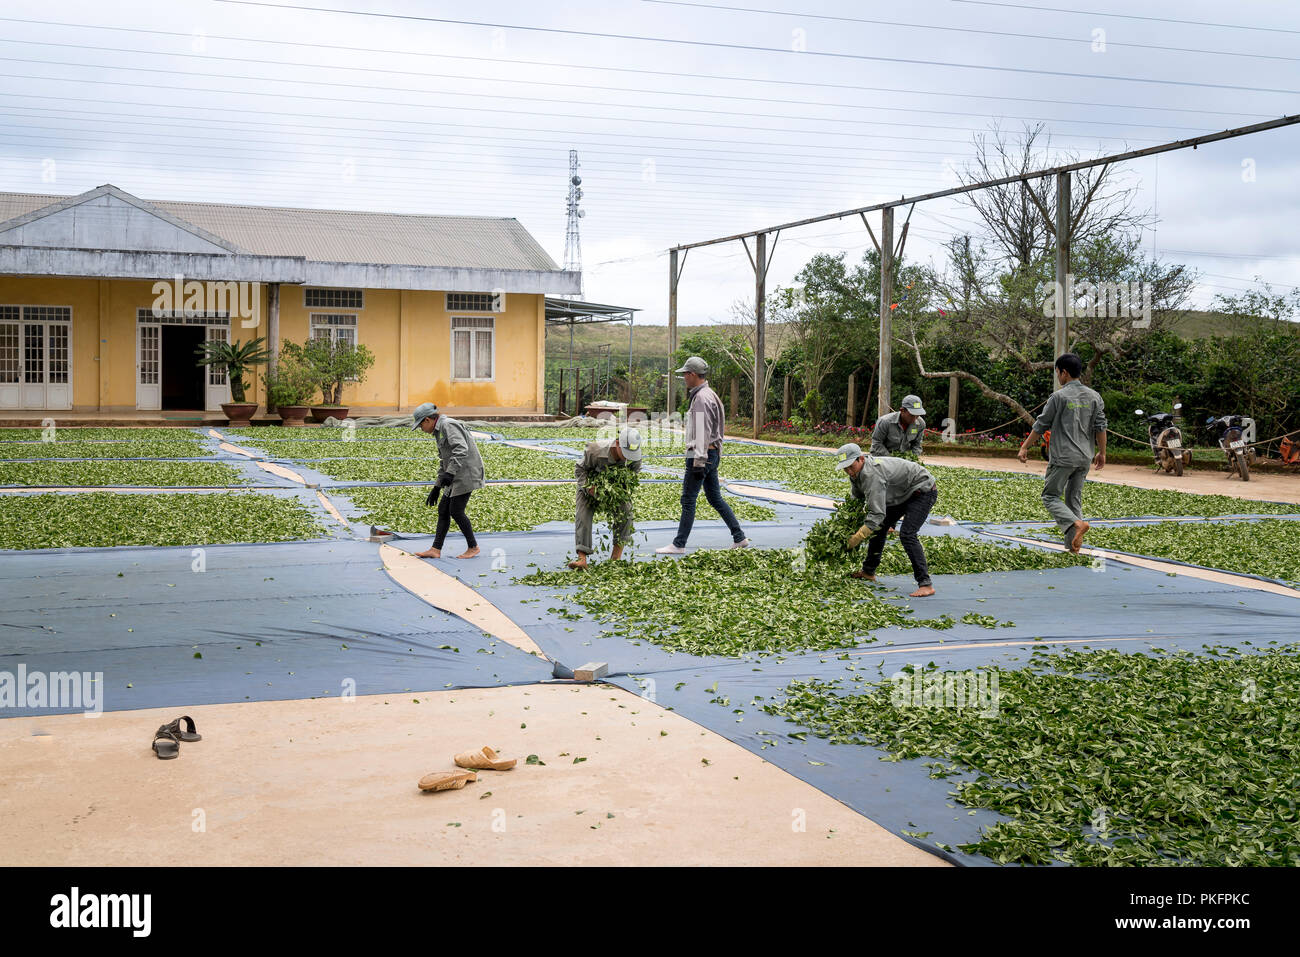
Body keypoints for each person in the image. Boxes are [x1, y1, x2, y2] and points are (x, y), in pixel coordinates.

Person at [655, 356, 750, 553]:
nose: (684, 378)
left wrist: (699, 460)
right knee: (715, 498)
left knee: (688, 499)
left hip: (701, 456)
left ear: (693, 375)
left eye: (685, 375)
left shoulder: (701, 399)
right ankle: (739, 537)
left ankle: (679, 544)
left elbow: (702, 431)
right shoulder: (710, 394)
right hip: (711, 455)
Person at [1017, 353, 1107, 553]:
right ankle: (1073, 545)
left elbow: (1041, 425)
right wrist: (1102, 452)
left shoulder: (1059, 397)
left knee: (1050, 496)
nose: (1058, 376)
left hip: (1064, 457)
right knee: (1073, 498)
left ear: (1064, 372)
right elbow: (1101, 426)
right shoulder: (1094, 396)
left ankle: (1076, 524)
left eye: (1058, 372)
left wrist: (1024, 447)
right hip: (1085, 457)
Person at [836, 442, 938, 598]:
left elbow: (876, 514)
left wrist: (857, 537)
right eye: (845, 468)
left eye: (851, 466)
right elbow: (856, 499)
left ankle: (925, 584)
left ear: (861, 459)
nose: (849, 471)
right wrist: (843, 523)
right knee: (880, 528)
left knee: (907, 534)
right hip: (902, 493)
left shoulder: (872, 475)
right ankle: (868, 571)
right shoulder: (855, 474)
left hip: (922, 489)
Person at [410, 402, 485, 559]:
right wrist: (437, 487)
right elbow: (444, 460)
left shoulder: (448, 425)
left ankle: (473, 547)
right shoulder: (439, 431)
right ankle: (435, 550)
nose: (421, 430)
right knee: (443, 509)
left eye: (420, 426)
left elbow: (461, 450)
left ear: (427, 420)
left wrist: (449, 474)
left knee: (456, 511)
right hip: (456, 473)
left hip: (466, 473)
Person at [568, 427, 643, 570]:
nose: (628, 457)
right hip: (590, 485)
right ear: (617, 444)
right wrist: (589, 487)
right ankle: (581, 559)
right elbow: (579, 469)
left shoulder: (634, 457)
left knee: (626, 513)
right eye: (625, 453)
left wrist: (622, 487)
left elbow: (634, 473)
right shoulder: (595, 450)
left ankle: (616, 558)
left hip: (616, 489)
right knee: (583, 515)